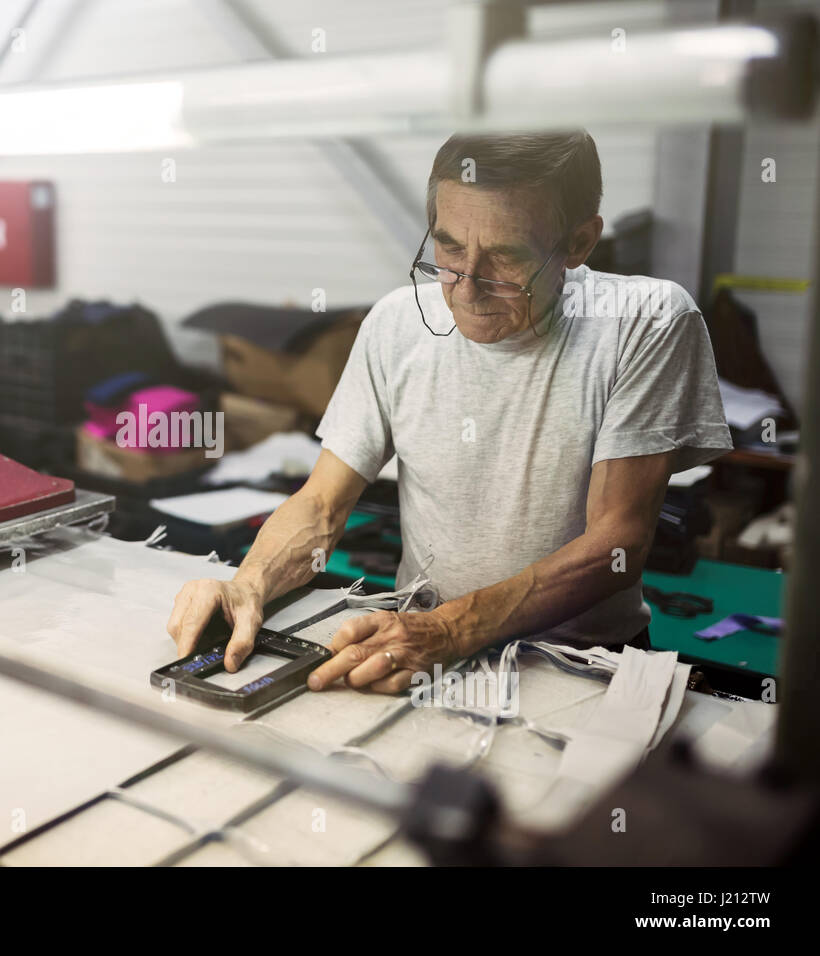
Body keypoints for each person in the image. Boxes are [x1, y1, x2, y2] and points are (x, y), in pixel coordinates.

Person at [167, 130, 731, 695]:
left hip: (579, 669)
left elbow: (618, 543)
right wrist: (249, 584)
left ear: (579, 242)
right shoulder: (395, 324)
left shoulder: (646, 320)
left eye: (505, 258)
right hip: (422, 654)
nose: (464, 288)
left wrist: (449, 628)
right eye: (450, 249)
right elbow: (320, 505)